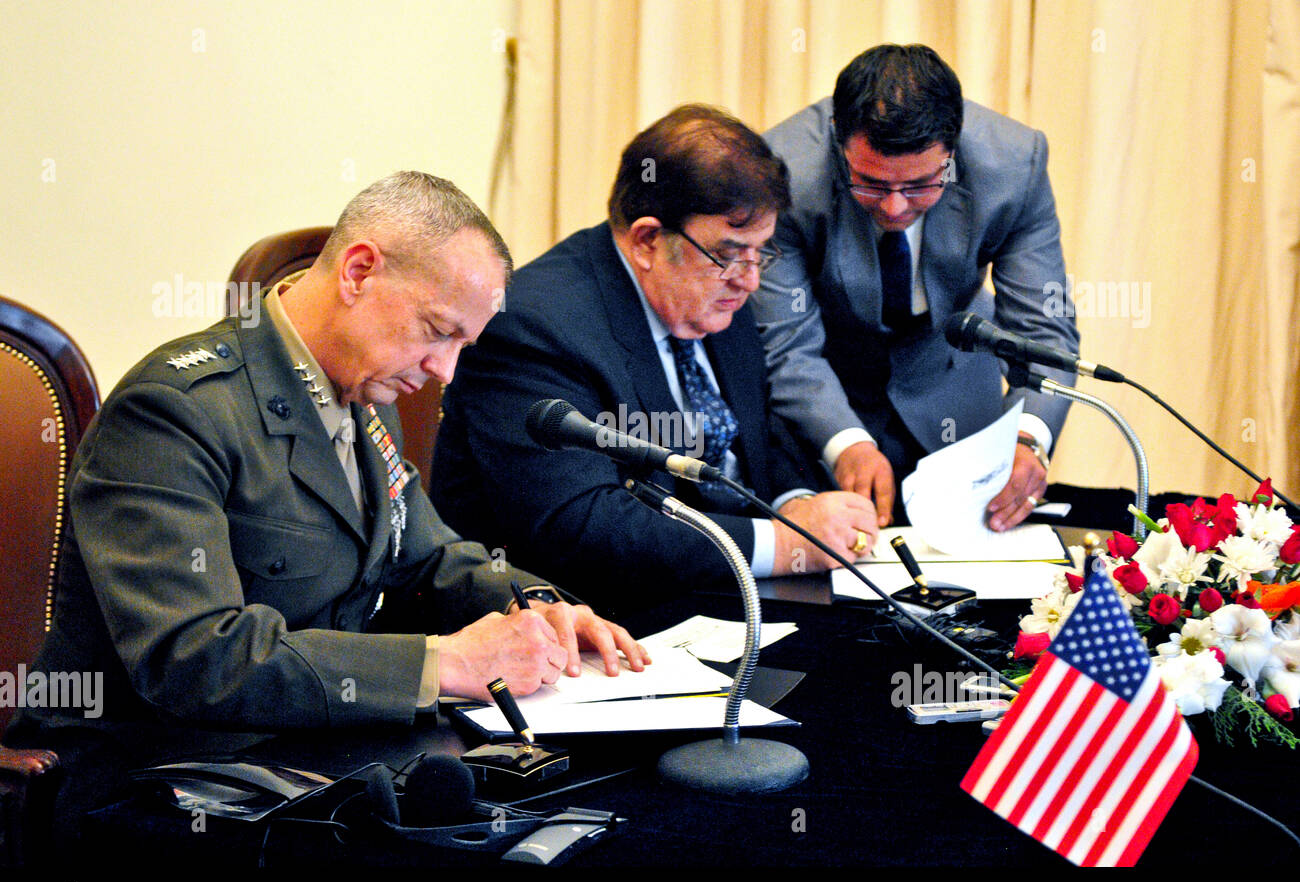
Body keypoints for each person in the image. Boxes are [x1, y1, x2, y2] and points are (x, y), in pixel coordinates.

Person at [11, 171, 647, 755]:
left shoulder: (363, 387)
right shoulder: (175, 411)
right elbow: (197, 661)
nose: (443, 371)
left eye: (462, 345)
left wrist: (535, 609)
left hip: (314, 749)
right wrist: (445, 662)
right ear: (359, 272)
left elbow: (427, 559)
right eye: (436, 329)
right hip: (160, 770)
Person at [430, 106, 878, 609]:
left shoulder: (711, 290)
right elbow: (580, 525)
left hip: (728, 596)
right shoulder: (533, 325)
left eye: (760, 252)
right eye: (731, 254)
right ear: (647, 240)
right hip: (590, 617)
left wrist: (797, 505)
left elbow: (754, 428)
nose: (750, 279)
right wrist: (785, 545)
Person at [748, 44, 1078, 533]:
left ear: (953, 147)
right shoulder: (780, 170)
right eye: (872, 185)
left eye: (921, 185)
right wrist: (846, 443)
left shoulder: (1013, 165)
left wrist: (1027, 438)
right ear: (840, 143)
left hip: (955, 392)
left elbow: (1042, 331)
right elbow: (786, 343)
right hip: (822, 404)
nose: (896, 208)